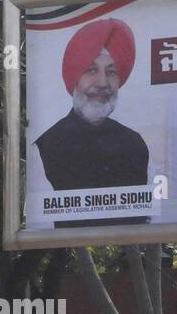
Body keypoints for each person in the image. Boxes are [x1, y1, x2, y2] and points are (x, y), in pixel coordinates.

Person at [32, 18, 150, 192]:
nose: (102, 83)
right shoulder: (45, 147)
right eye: (91, 70)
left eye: (111, 72)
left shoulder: (134, 144)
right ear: (74, 77)